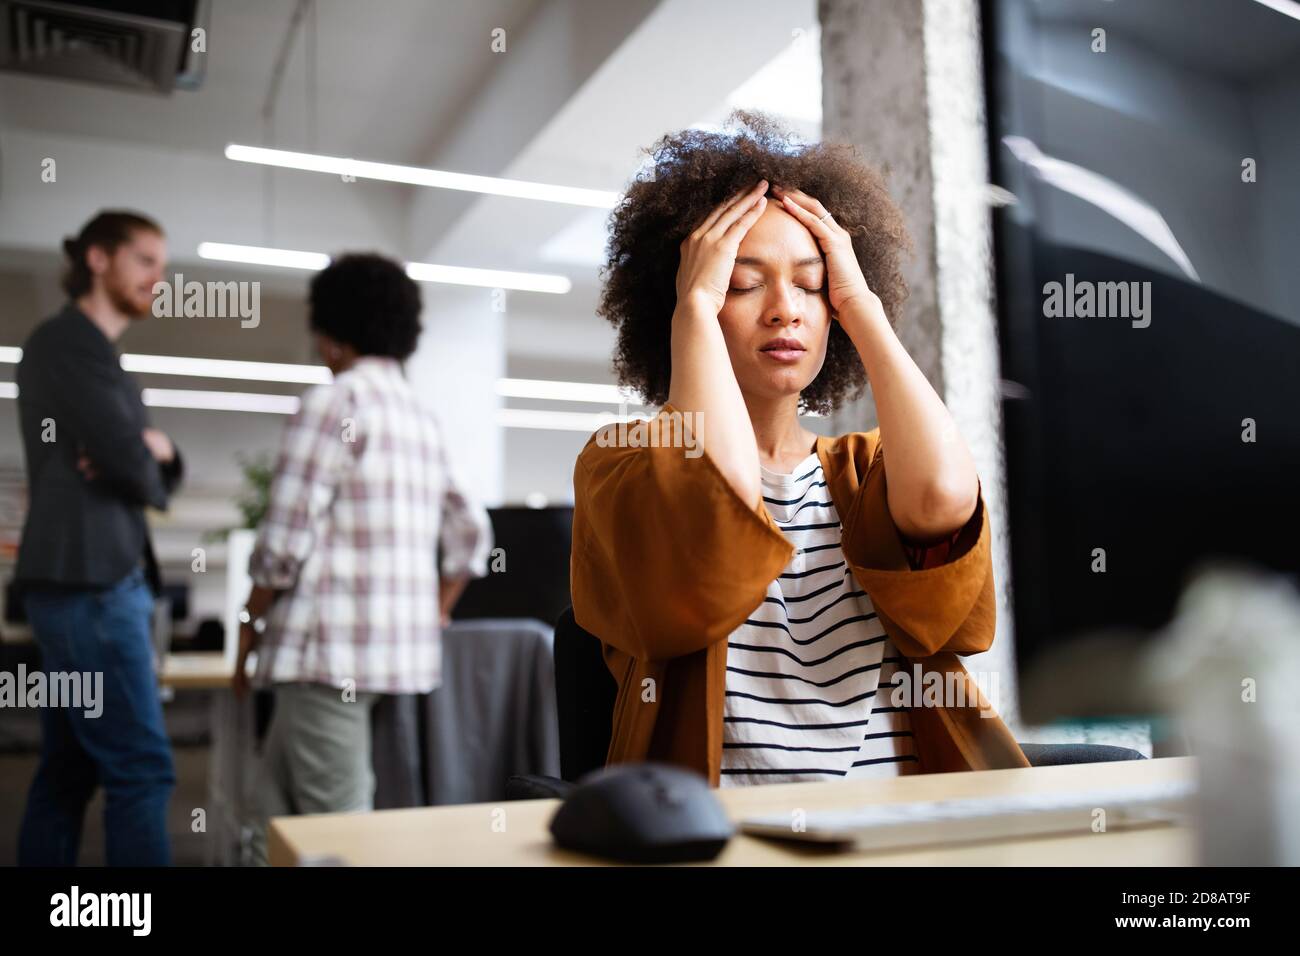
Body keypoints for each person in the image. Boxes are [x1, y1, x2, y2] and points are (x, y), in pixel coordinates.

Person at [572, 111, 1029, 786]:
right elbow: (712, 524)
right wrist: (693, 307)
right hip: (725, 835)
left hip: (908, 820)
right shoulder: (622, 461)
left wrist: (861, 304)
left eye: (811, 286)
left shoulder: (862, 468)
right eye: (740, 282)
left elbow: (942, 499)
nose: (786, 308)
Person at [239, 253, 491, 864]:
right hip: (390, 658)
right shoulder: (420, 416)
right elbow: (472, 532)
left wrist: (249, 626)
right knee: (265, 824)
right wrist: (434, 612)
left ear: (330, 332)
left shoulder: (333, 403)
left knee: (340, 834)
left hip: (326, 657)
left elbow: (282, 542)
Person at [15, 210, 182, 864]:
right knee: (141, 768)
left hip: (84, 586)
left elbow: (142, 459)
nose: (157, 280)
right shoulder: (67, 345)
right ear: (98, 258)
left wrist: (152, 452)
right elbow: (131, 460)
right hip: (92, 585)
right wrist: (146, 454)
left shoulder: (101, 358)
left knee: (69, 770)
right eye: (145, 262)